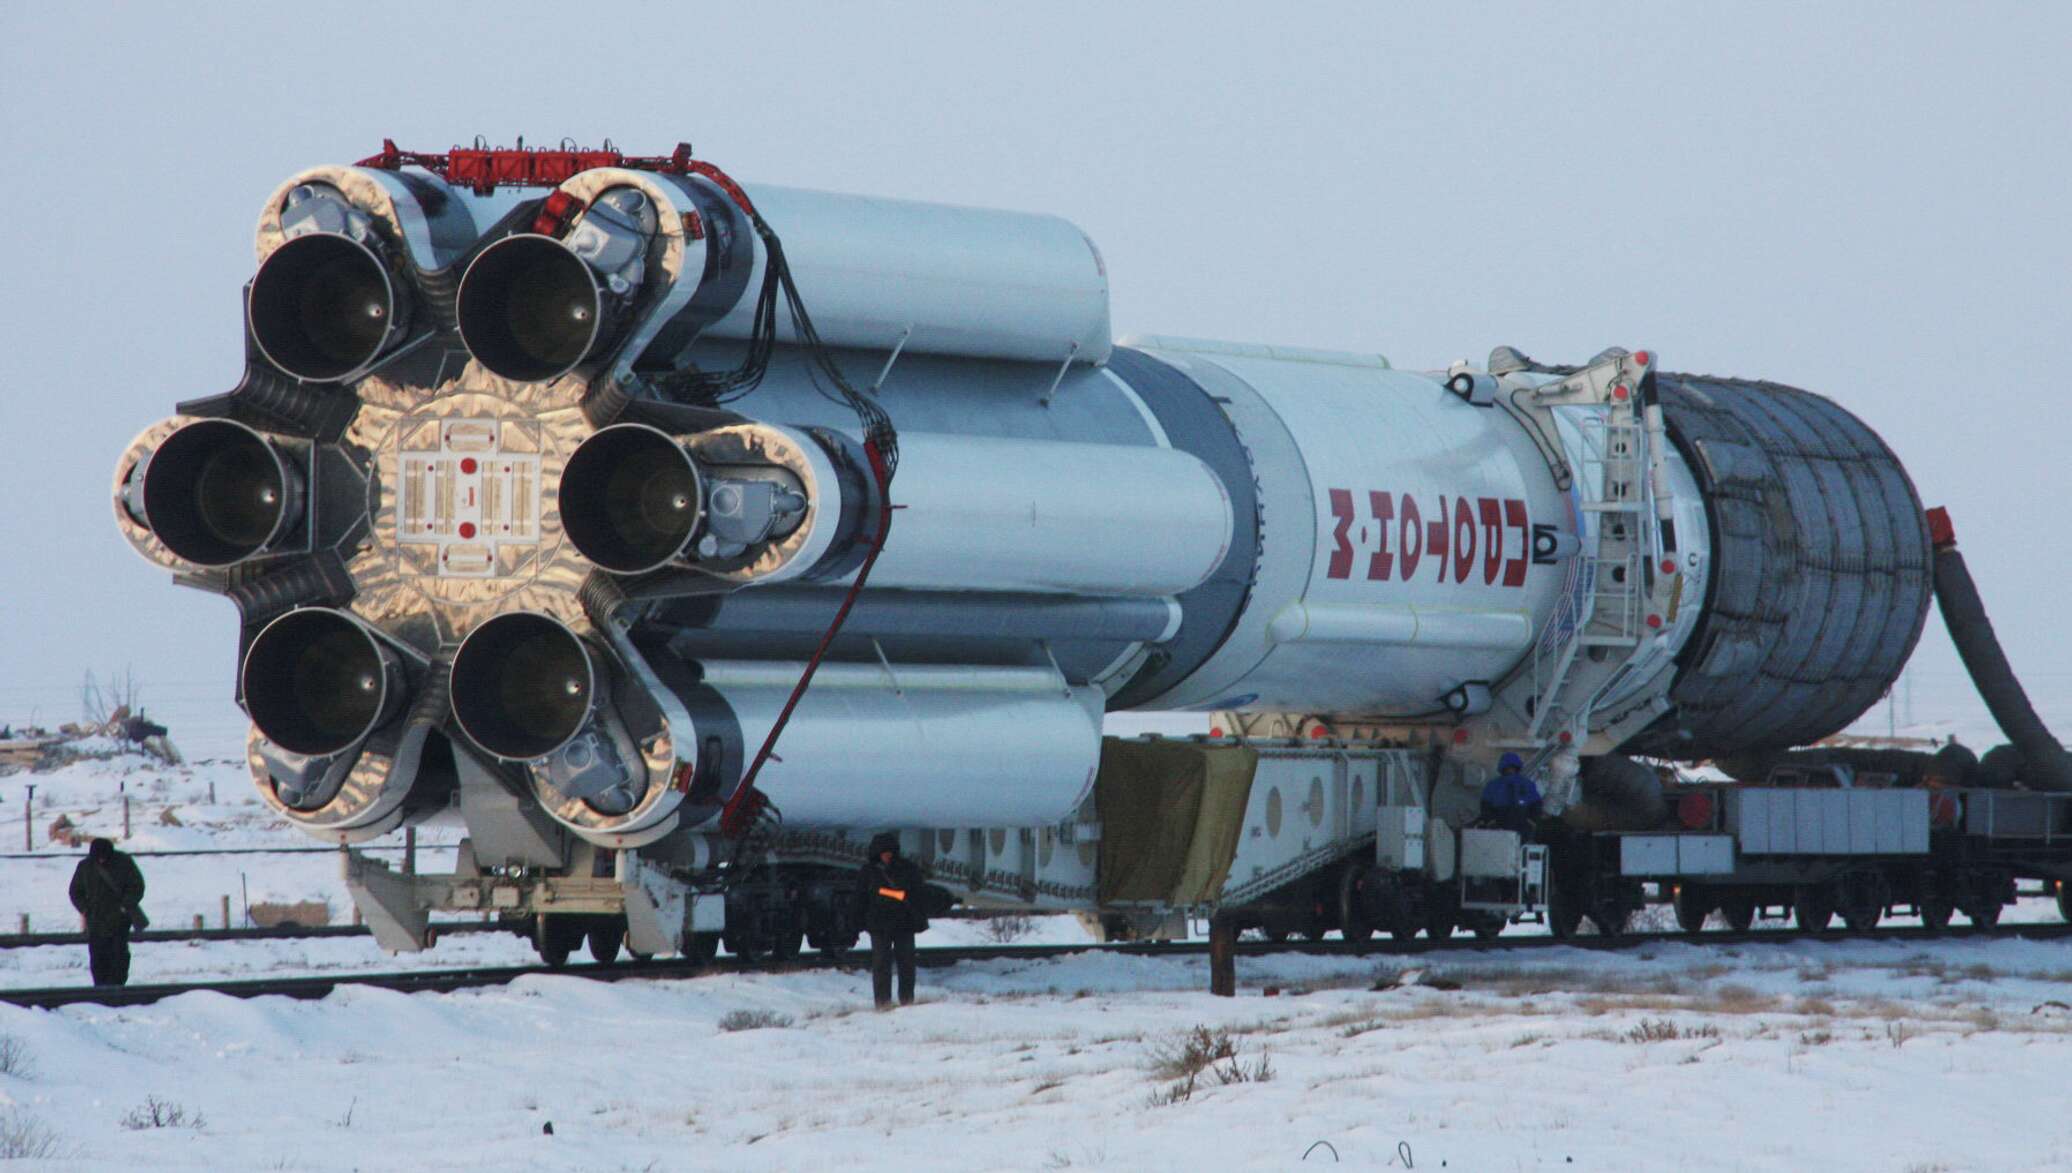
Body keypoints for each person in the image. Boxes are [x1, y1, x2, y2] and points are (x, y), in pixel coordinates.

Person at [854, 831, 923, 1009]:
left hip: (900, 924)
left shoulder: (871, 871)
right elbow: (860, 899)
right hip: (882, 925)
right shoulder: (872, 871)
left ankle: (905, 1000)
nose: (887, 855)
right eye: (884, 852)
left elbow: (917, 895)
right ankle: (883, 1003)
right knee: (883, 965)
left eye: (889, 851)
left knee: (903, 964)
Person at [69, 838, 146, 987]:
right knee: (98, 957)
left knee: (119, 956)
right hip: (95, 920)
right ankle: (100, 988)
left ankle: (117, 987)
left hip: (120, 920)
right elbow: (75, 892)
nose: (101, 860)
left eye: (104, 857)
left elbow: (137, 886)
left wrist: (125, 905)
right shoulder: (85, 866)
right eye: (98, 858)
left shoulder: (124, 862)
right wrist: (85, 909)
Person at [1479, 752, 1544, 837]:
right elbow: (1485, 806)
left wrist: (1531, 822)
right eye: (1508, 767)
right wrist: (1491, 822)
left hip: (1515, 829)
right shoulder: (1493, 785)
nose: (1510, 770)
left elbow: (1536, 805)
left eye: (1512, 767)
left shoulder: (1493, 785)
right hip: (1502, 828)